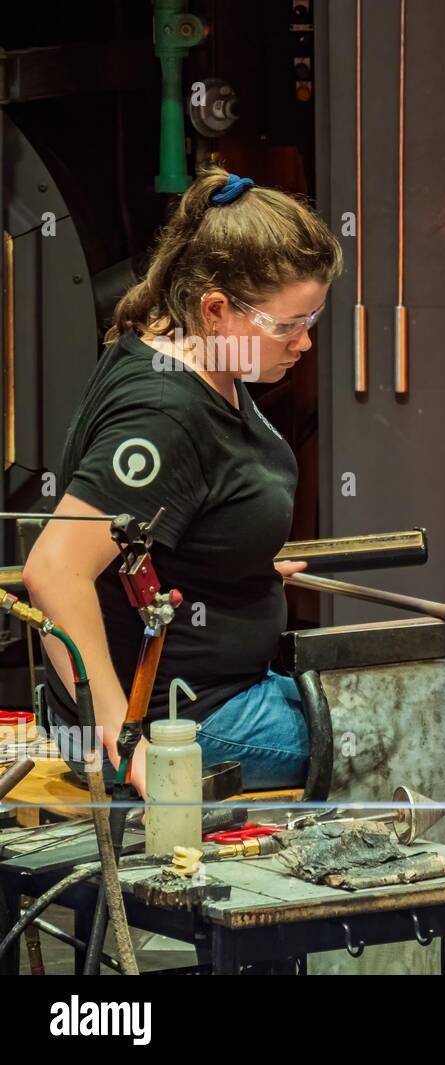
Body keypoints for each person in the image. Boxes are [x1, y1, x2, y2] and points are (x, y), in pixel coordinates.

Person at [23, 167, 342, 797]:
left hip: (216, 693)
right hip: (183, 719)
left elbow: (165, 523)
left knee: (404, 689)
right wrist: (123, 741)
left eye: (313, 318)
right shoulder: (166, 413)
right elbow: (54, 573)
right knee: (407, 728)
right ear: (216, 308)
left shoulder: (194, 350)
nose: (305, 343)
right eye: (288, 326)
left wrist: (228, 568)